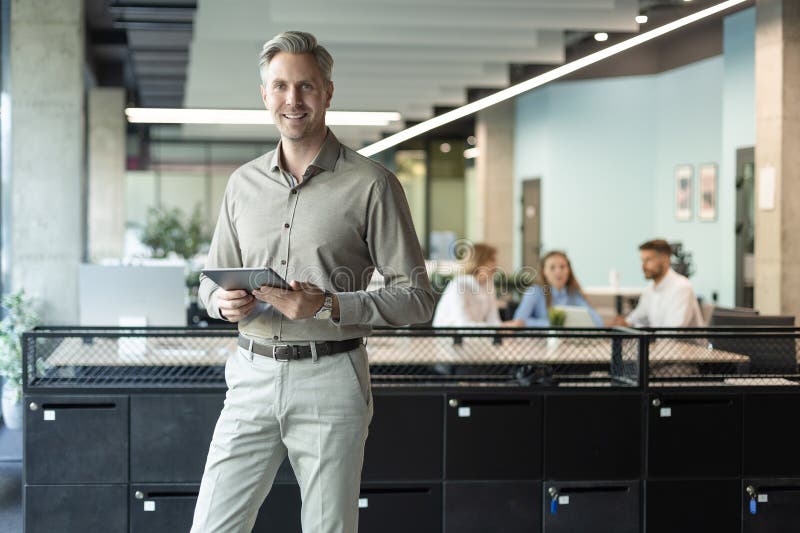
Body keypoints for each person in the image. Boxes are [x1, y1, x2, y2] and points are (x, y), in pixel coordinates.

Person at [191, 31, 434, 533]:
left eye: (305, 86)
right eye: (280, 86)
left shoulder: (372, 185)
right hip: (250, 376)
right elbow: (207, 283)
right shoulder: (243, 184)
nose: (292, 100)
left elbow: (417, 297)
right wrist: (222, 302)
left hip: (331, 378)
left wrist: (327, 305)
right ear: (265, 95)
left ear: (327, 91)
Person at [609, 239, 703, 328]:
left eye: (648, 260)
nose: (643, 266)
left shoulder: (681, 287)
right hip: (662, 344)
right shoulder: (650, 289)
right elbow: (637, 318)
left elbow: (674, 331)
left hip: (685, 345)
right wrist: (624, 323)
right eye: (642, 260)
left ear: (666, 260)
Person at [432, 243, 519, 327]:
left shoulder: (488, 284)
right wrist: (498, 329)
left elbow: (493, 320)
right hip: (448, 338)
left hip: (474, 337)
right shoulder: (458, 285)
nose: (496, 264)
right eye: (492, 259)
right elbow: (462, 324)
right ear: (479, 262)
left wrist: (504, 327)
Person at [512, 250, 603, 327]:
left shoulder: (574, 293)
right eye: (552, 268)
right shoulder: (535, 292)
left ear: (569, 270)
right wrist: (556, 325)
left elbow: (597, 322)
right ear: (544, 271)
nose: (558, 271)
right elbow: (519, 321)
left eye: (562, 267)